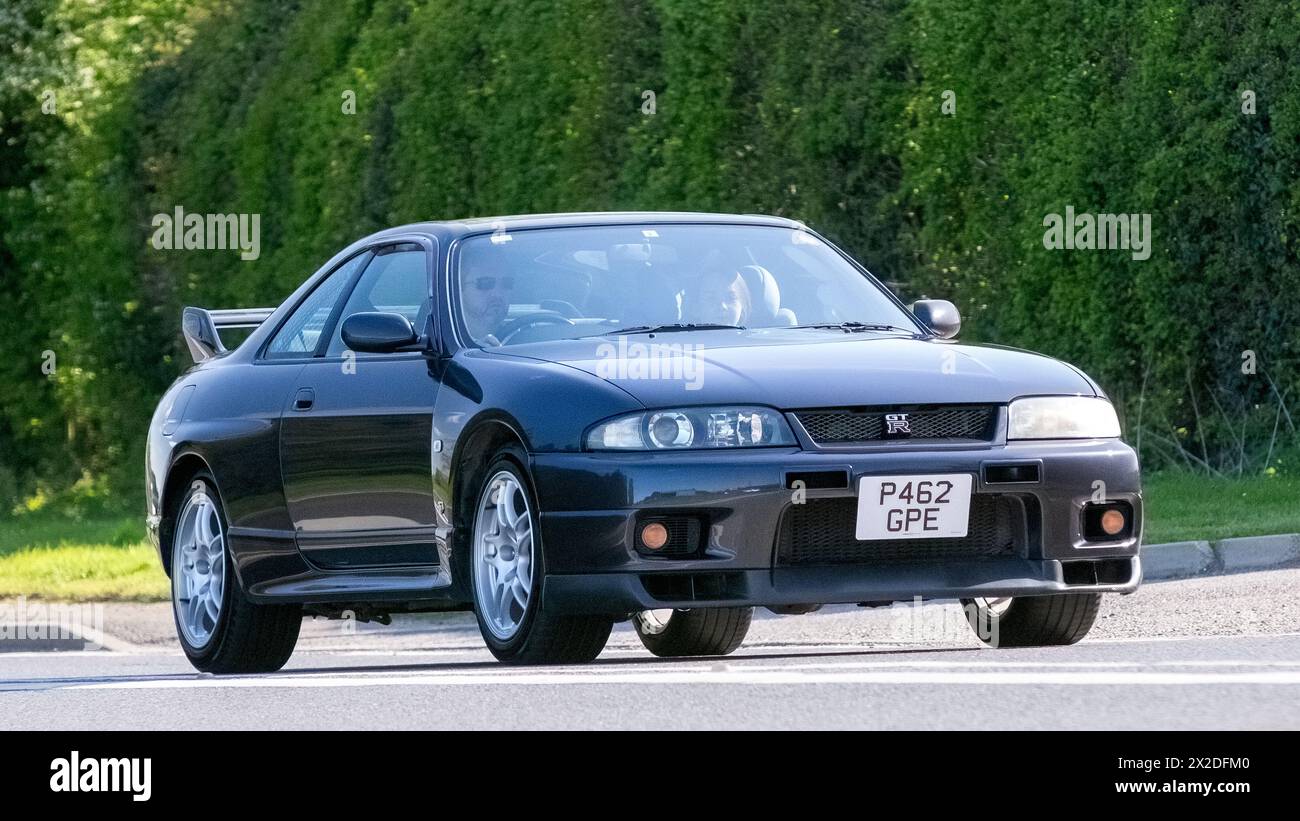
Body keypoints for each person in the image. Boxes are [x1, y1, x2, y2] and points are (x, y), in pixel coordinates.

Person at [461, 273, 513, 344]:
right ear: (460, 290)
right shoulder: (442, 343)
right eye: (485, 284)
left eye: (507, 283)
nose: (497, 294)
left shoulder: (524, 339)